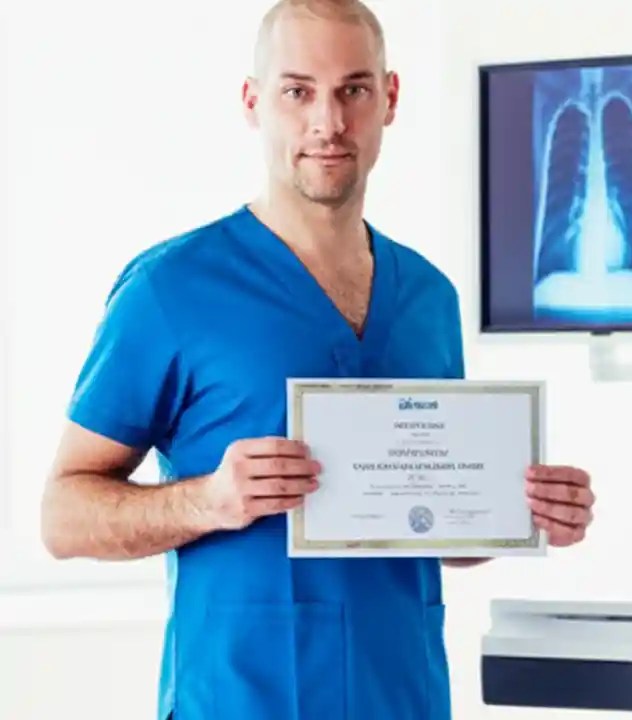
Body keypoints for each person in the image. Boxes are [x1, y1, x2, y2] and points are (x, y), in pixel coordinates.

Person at [38, 1, 596, 718]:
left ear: (389, 99)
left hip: (404, 696)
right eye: (298, 91)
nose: (327, 123)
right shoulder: (171, 289)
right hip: (241, 700)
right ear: (253, 102)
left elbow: (426, 526)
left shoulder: (428, 296)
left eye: (353, 90)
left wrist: (523, 511)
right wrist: (210, 499)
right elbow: (62, 514)